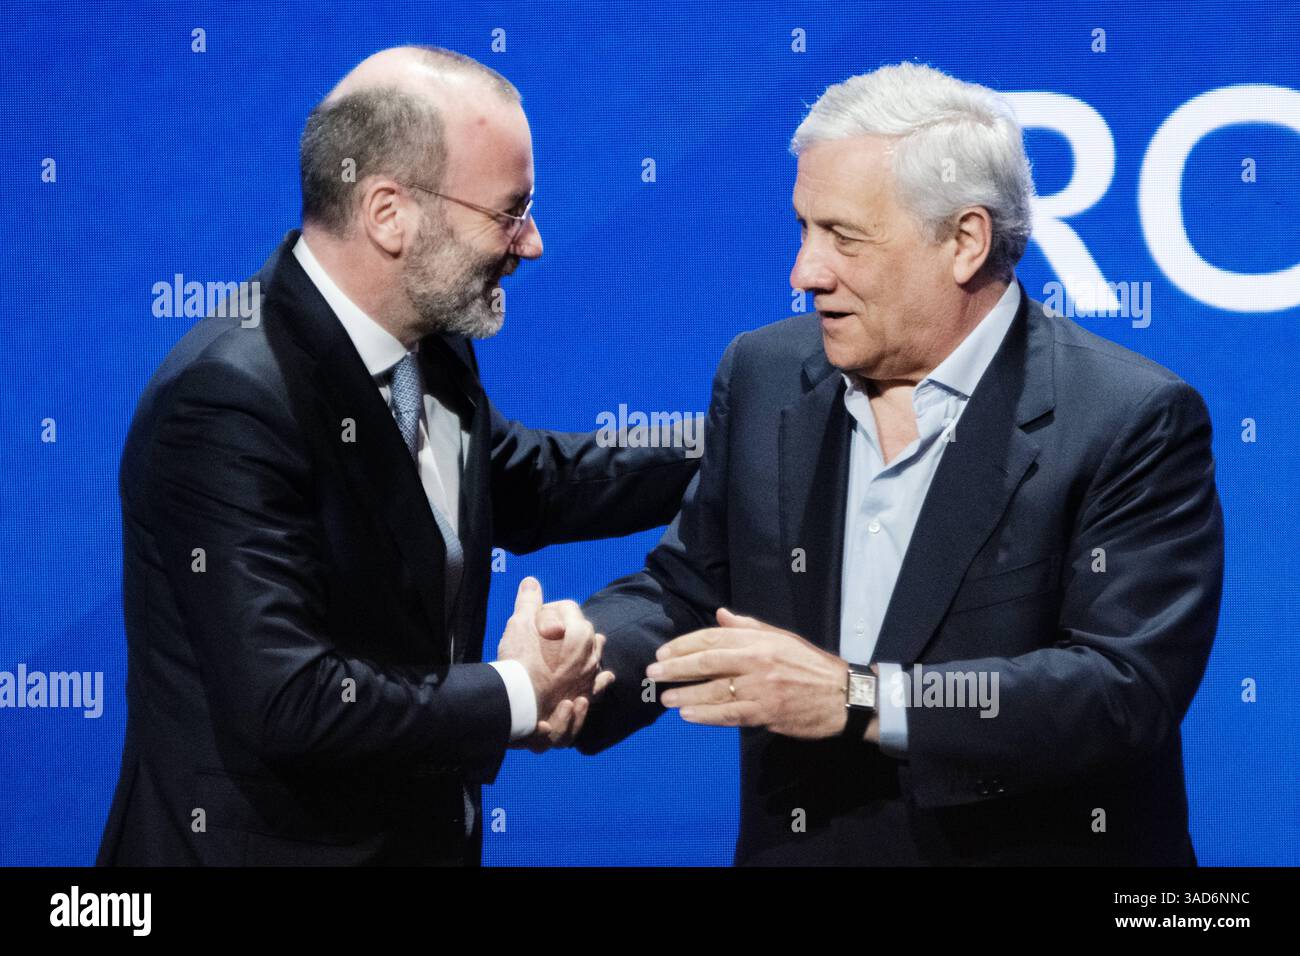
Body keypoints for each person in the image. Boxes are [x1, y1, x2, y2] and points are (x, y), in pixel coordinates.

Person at [569, 62, 1225, 865]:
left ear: (964, 241)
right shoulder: (765, 374)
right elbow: (689, 591)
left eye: (843, 237)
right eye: (804, 229)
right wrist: (579, 660)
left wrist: (859, 698)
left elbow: (1122, 691)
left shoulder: (1129, 417)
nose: (805, 273)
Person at [97, 46, 698, 866]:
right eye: (511, 212)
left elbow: (527, 480)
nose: (531, 244)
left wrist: (737, 437)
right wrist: (522, 691)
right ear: (389, 214)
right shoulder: (226, 402)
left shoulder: (426, 345)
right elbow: (292, 700)